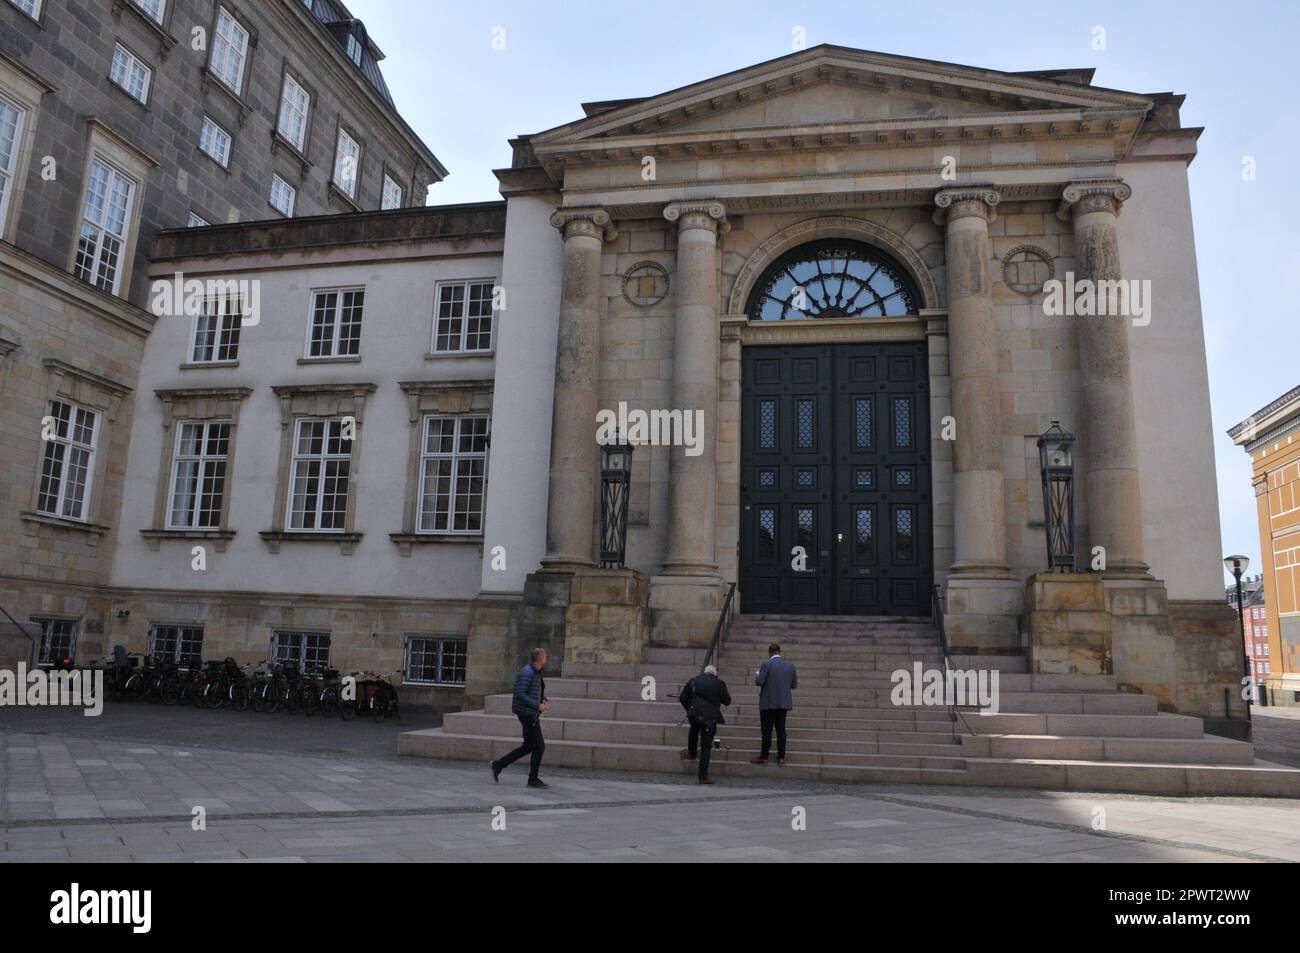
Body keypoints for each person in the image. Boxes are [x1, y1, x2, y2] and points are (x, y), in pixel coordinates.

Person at [491, 647, 549, 787]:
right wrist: (537, 705)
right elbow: (519, 694)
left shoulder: (535, 672)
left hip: (529, 712)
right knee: (539, 746)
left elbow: (531, 691)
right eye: (545, 657)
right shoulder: (527, 672)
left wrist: (542, 699)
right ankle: (532, 779)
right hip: (527, 714)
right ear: (541, 659)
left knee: (529, 745)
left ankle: (499, 765)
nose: (546, 659)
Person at [678, 664, 731, 785]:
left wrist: (689, 710)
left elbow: (682, 698)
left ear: (705, 672)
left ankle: (692, 753)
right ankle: (703, 776)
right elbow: (727, 701)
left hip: (695, 714)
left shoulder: (694, 680)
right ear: (714, 674)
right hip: (710, 719)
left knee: (694, 730)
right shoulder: (719, 683)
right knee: (706, 746)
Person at [751, 643, 797, 765]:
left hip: (768, 703)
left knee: (767, 730)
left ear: (770, 653)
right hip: (783, 703)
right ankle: (781, 757)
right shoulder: (790, 666)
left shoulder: (767, 664)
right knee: (781, 730)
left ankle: (764, 756)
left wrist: (757, 675)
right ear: (779, 652)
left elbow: (760, 682)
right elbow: (794, 685)